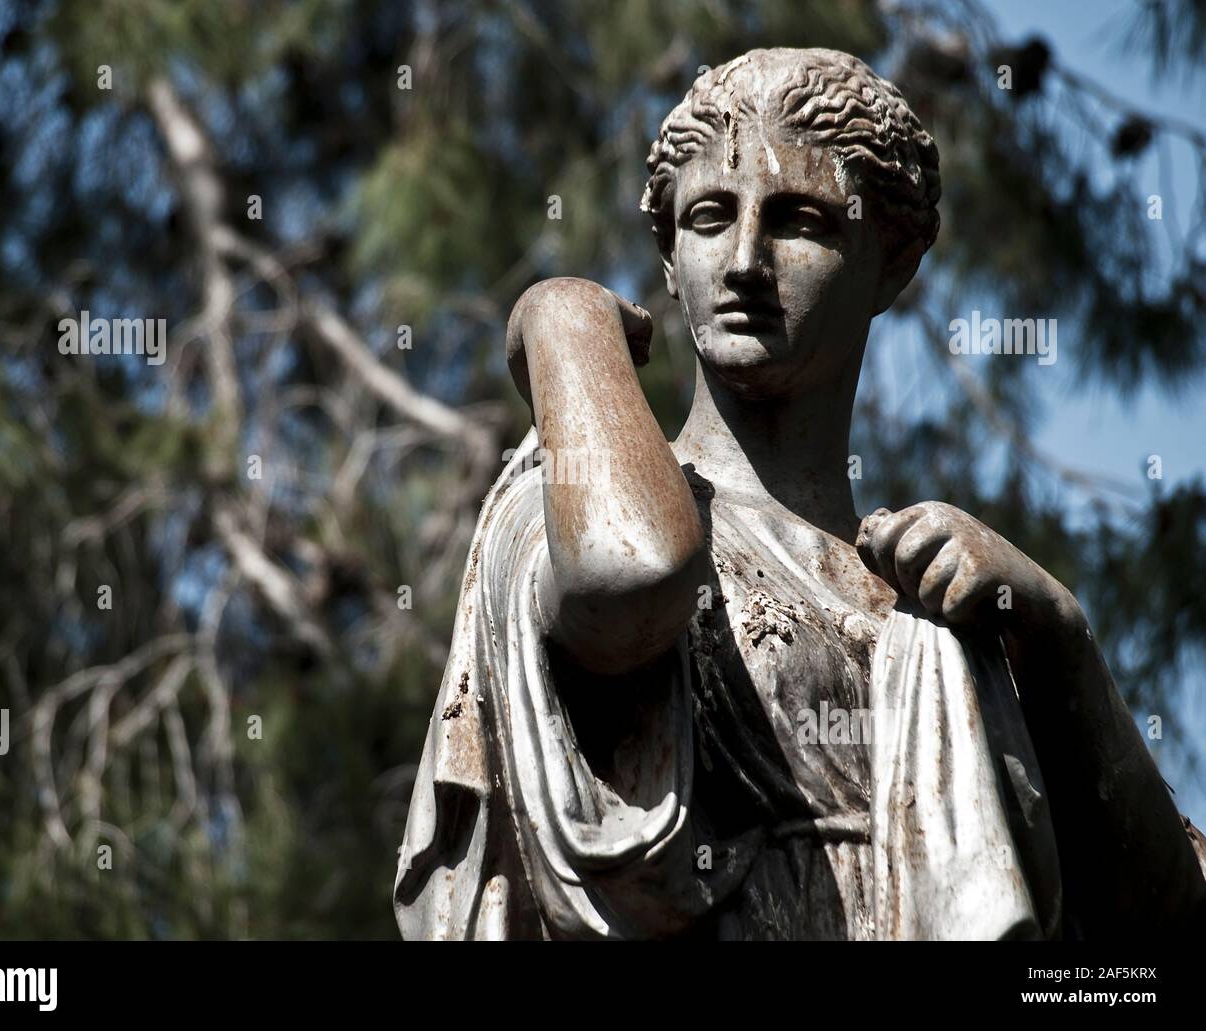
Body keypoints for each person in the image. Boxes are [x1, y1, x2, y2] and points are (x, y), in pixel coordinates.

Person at [394, 47, 1206, 940]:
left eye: (801, 221)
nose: (744, 261)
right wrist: (562, 318)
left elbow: (1164, 921)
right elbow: (630, 572)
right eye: (707, 218)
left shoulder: (938, 599)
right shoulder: (565, 502)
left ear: (890, 265)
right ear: (666, 257)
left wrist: (1057, 634)